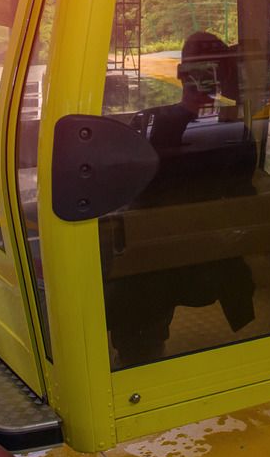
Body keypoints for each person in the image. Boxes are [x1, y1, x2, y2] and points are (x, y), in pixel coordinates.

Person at [104, 32, 257, 366]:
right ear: (225, 76)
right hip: (214, 267)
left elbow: (128, 196)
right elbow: (243, 201)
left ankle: (141, 348)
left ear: (181, 75)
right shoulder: (238, 136)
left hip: (152, 273)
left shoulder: (146, 126)